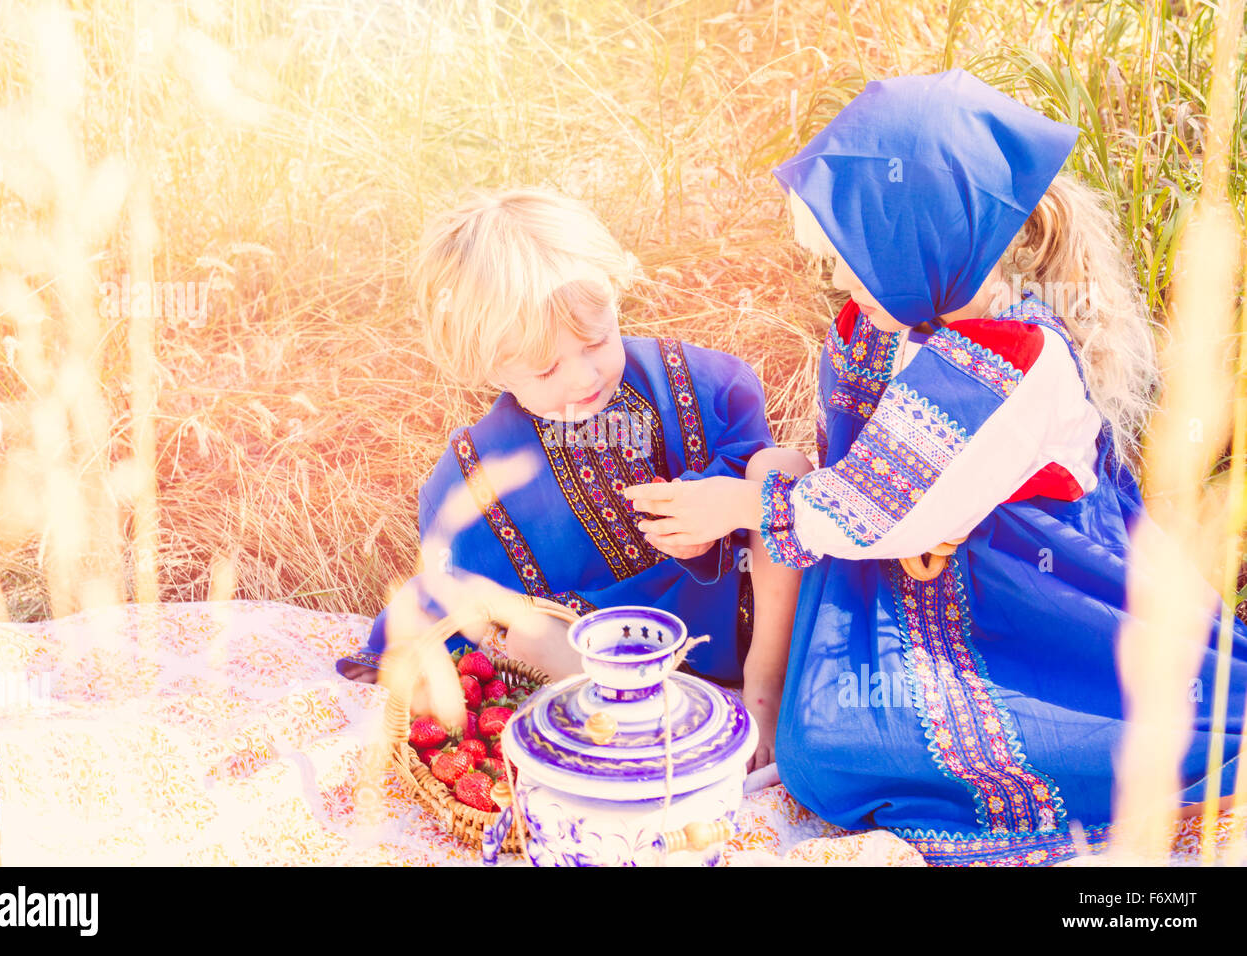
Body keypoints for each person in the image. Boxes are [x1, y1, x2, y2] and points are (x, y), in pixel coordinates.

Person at [624, 69, 1247, 865]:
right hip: (911, 589)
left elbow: (879, 505)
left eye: (856, 259)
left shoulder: (1014, 361)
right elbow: (859, 466)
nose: (842, 282)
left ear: (925, 241)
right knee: (828, 749)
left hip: (1038, 617)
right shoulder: (892, 318)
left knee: (836, 759)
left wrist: (742, 508)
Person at [337, 187, 775, 700]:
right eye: (546, 368)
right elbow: (452, 589)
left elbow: (761, 484)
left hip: (732, 614)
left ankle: (765, 687)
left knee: (778, 469)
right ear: (491, 365)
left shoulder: (701, 383)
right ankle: (654, 713)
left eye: (596, 341)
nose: (583, 377)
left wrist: (712, 508)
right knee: (526, 638)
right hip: (596, 647)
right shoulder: (477, 472)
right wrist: (399, 648)